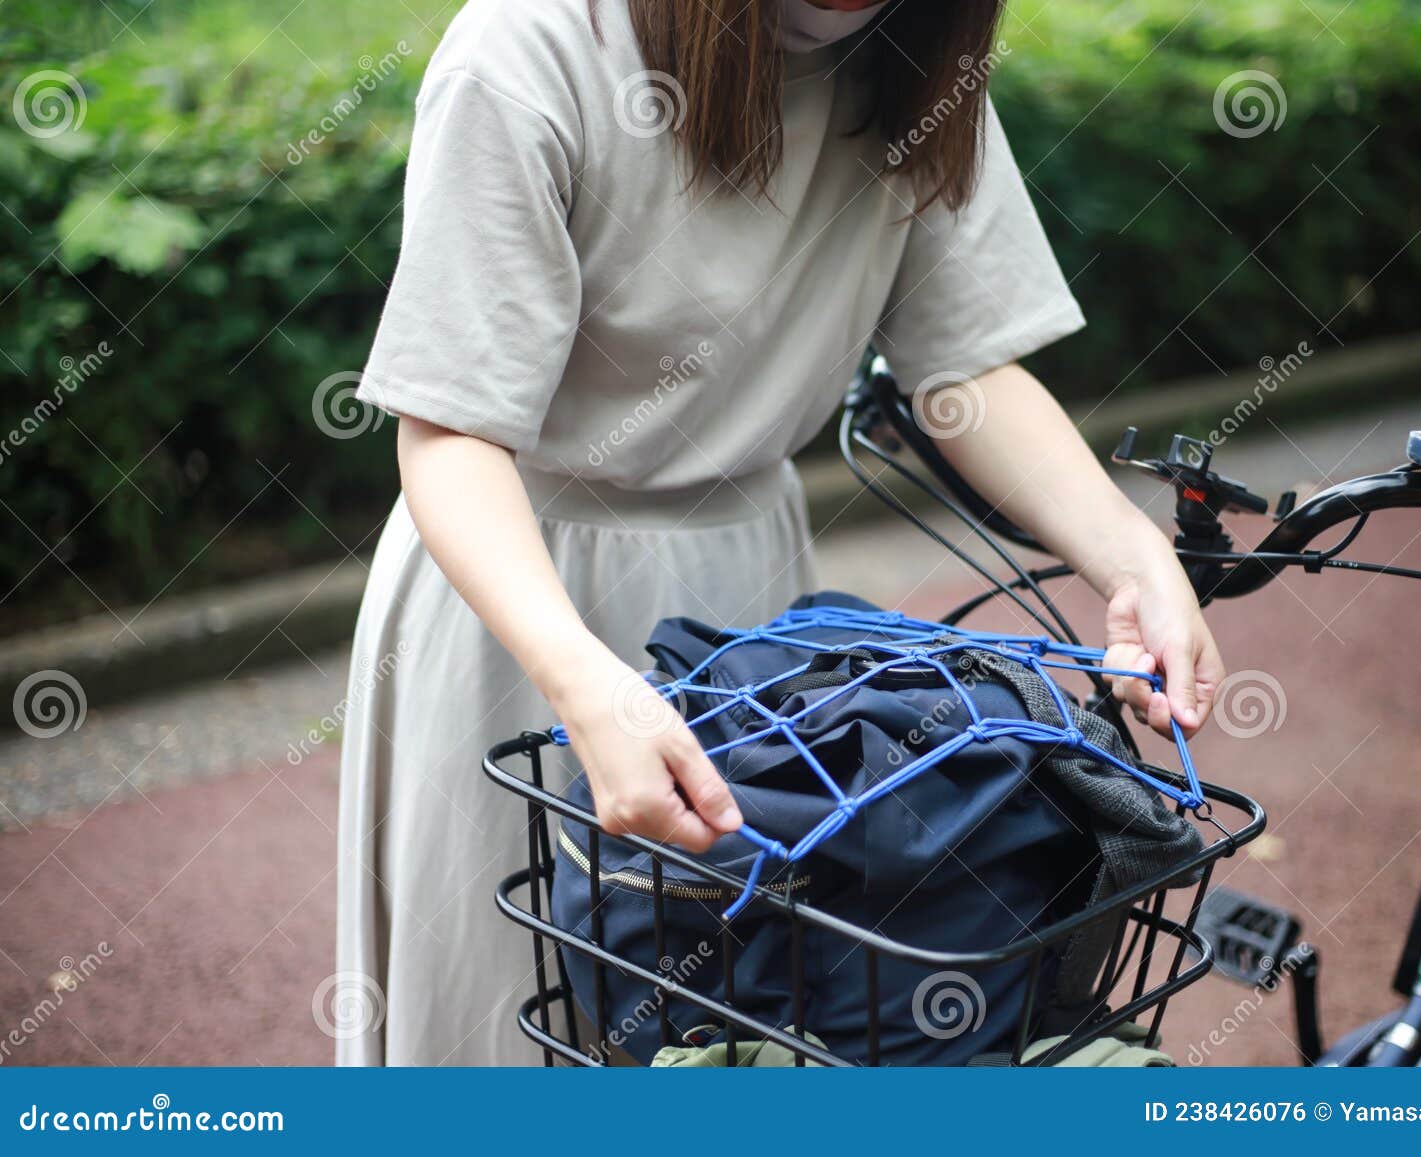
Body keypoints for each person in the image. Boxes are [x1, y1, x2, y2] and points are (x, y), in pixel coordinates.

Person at [336, 0, 1225, 1066]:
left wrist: (1135, 556)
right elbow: (449, 432)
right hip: (520, 592)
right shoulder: (530, 44)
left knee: (753, 1032)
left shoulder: (918, 52)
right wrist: (587, 680)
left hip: (748, 599)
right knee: (510, 1036)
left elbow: (960, 364)